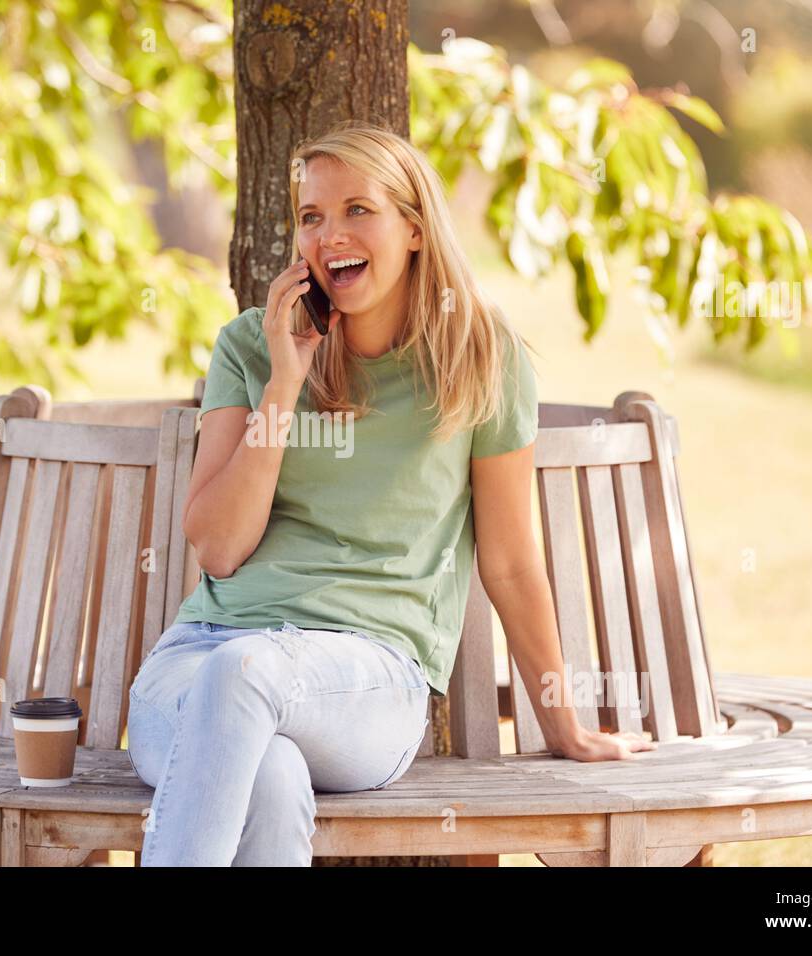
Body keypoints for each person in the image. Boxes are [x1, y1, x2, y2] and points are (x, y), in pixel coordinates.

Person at [126, 119, 656, 866]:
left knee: (248, 677)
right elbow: (218, 548)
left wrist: (561, 721)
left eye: (357, 210)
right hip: (198, 664)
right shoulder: (252, 346)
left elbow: (508, 561)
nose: (328, 233)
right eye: (311, 216)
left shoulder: (480, 358)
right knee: (269, 773)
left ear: (413, 227)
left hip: (369, 680)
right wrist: (285, 382)